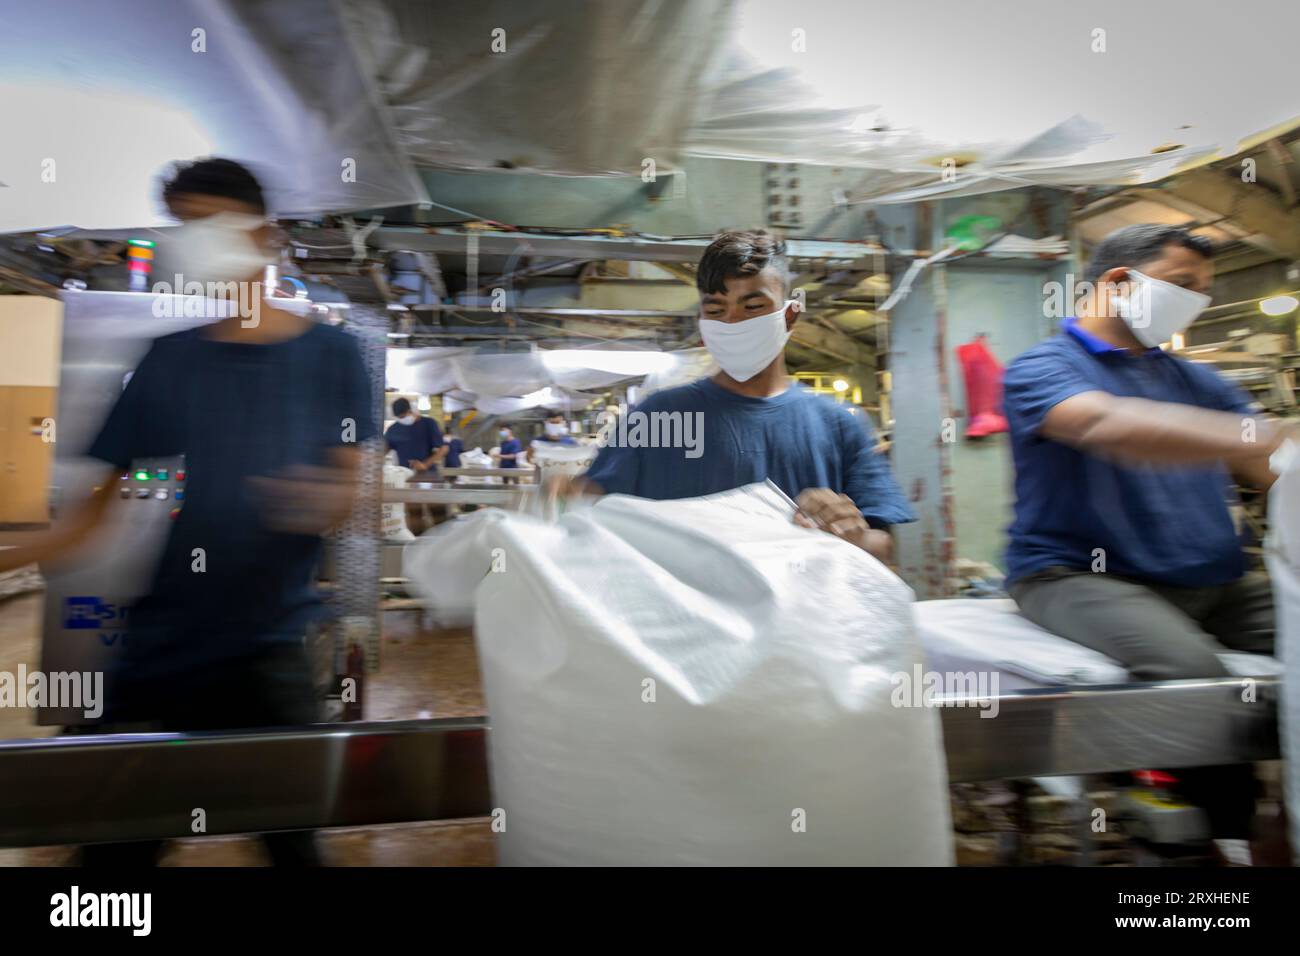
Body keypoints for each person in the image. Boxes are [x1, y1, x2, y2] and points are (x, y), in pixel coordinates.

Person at [0, 157, 378, 865]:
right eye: (179, 226)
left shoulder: (333, 357)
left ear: (265, 236)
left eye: (204, 223)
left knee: (294, 845)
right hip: (159, 650)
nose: (186, 241)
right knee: (114, 854)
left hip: (269, 652)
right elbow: (91, 518)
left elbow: (356, 490)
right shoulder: (170, 362)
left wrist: (322, 500)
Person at [1002, 223, 1286, 851]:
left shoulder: (1194, 380)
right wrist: (1262, 438)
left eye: (1203, 292)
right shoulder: (1044, 367)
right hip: (1077, 576)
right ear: (1117, 283)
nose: (1196, 301)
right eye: (1183, 286)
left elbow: (1270, 465)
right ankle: (1223, 839)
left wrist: (1273, 453)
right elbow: (1104, 424)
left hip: (1214, 581)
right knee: (1193, 679)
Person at [551, 229, 912, 562]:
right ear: (701, 321)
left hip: (800, 623)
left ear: (789, 316)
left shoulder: (839, 425)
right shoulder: (658, 417)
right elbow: (592, 511)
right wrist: (557, 499)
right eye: (716, 310)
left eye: (752, 307)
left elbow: (884, 545)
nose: (733, 322)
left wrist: (850, 535)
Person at [384, 397, 444, 475]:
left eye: (403, 417)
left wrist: (425, 465)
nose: (402, 420)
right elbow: (385, 449)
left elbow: (443, 449)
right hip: (405, 475)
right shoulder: (393, 429)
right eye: (399, 418)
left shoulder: (428, 424)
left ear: (410, 411)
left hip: (428, 474)